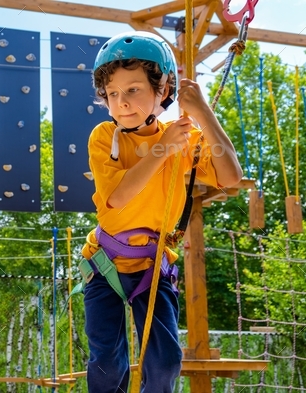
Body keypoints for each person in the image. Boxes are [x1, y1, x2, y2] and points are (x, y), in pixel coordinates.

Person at [80, 31, 243, 393]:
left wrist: (202, 112)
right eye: (112, 94)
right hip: (105, 261)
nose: (121, 103)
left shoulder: (182, 137)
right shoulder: (105, 137)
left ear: (163, 89)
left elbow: (231, 176)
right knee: (108, 362)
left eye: (133, 90)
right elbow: (119, 197)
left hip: (154, 265)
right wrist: (160, 151)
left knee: (165, 360)